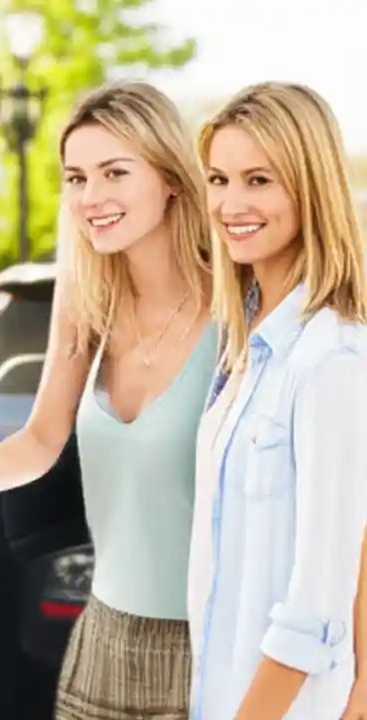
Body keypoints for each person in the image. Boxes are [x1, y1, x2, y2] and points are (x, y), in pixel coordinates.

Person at [0, 80, 218, 718]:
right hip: (103, 641)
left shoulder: (238, 307)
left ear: (172, 178)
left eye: (114, 173)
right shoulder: (86, 300)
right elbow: (41, 440)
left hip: (214, 641)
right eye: (75, 178)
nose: (90, 197)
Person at [189, 81, 367, 720]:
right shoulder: (246, 352)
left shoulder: (332, 360)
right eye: (218, 179)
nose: (230, 203)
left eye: (259, 180)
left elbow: (317, 597)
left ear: (309, 187)